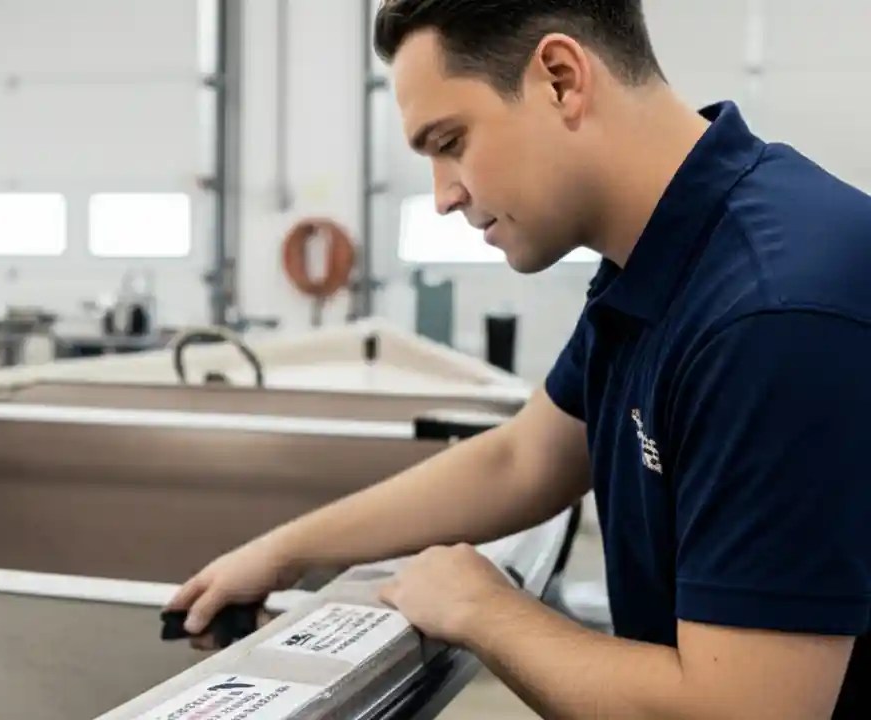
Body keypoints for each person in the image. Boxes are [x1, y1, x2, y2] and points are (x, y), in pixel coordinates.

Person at [166, 0, 871, 717]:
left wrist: (482, 608)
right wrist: (285, 551)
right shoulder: (665, 258)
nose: (445, 196)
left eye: (451, 141)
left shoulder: (773, 312)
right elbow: (527, 458)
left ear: (561, 79)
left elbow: (744, 713)